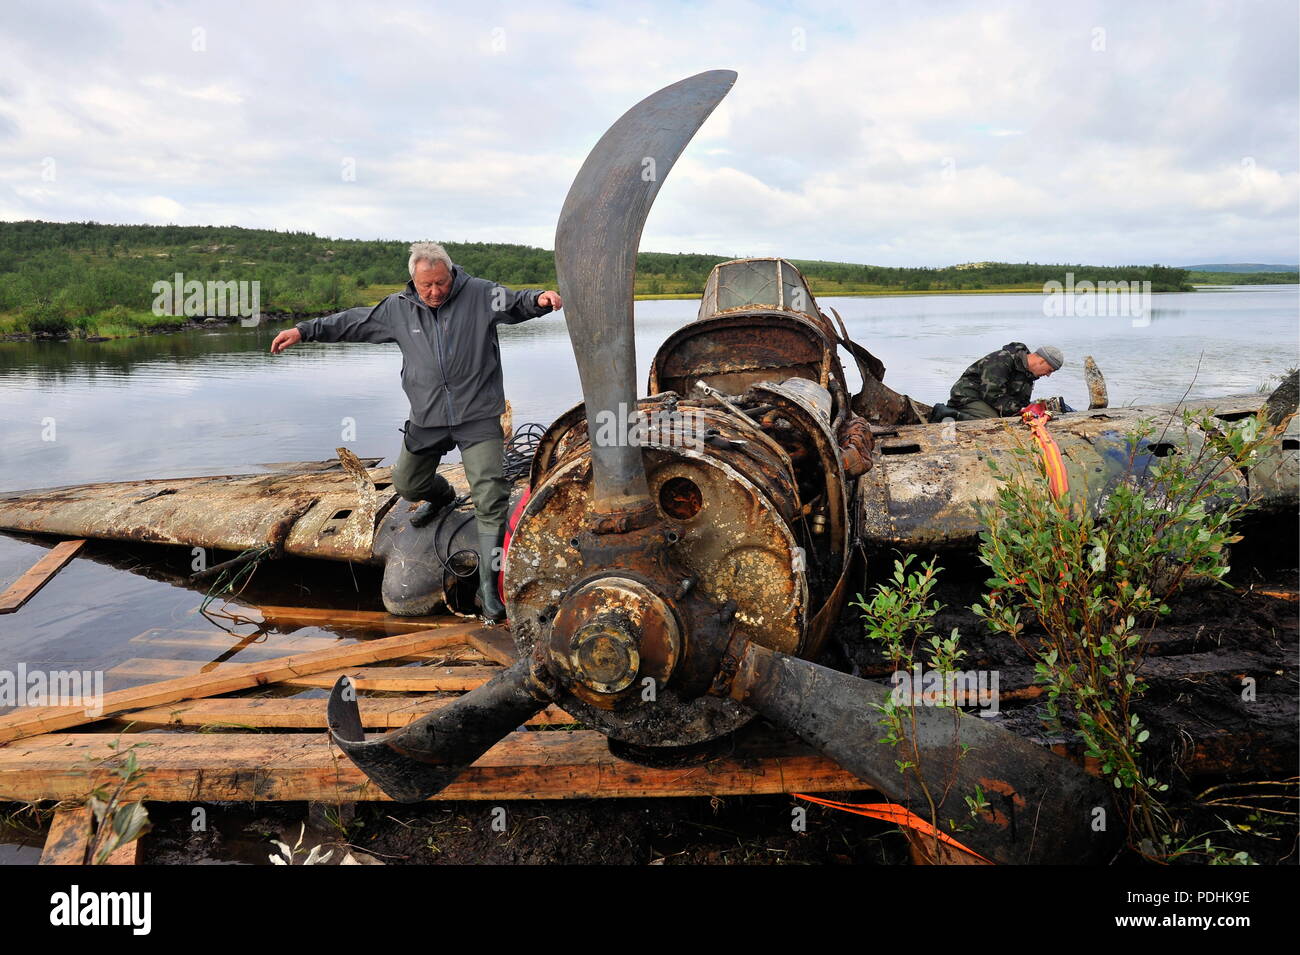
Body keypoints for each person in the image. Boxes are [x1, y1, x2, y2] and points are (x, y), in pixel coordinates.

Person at [269, 241, 562, 622]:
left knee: (490, 499)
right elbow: (352, 322)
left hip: (477, 417)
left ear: (451, 274)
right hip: (428, 418)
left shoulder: (478, 294)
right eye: (427, 286)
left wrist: (541, 298)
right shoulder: (397, 308)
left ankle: (492, 588)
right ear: (414, 282)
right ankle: (442, 497)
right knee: (406, 482)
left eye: (441, 283)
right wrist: (303, 331)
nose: (436, 291)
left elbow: (516, 301)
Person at [932, 343, 1063, 421]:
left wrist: (1027, 410)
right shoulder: (1002, 360)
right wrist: (1020, 409)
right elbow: (991, 394)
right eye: (1049, 370)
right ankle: (945, 412)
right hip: (969, 396)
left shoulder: (1029, 374)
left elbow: (1021, 402)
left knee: (1017, 419)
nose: (1048, 375)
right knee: (991, 422)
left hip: (989, 400)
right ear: (1041, 361)